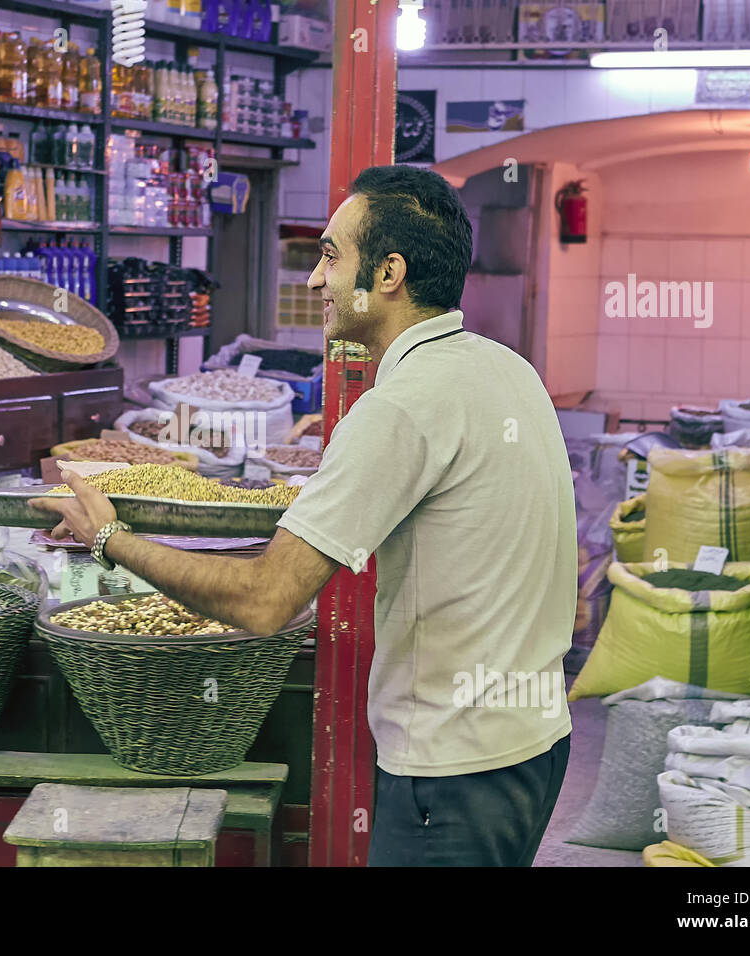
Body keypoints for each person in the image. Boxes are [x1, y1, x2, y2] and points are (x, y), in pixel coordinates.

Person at [31, 165, 576, 867]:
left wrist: (108, 537)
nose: (315, 281)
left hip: (454, 769)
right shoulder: (505, 368)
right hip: (532, 743)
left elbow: (265, 602)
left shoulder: (401, 406)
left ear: (387, 273)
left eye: (329, 256)